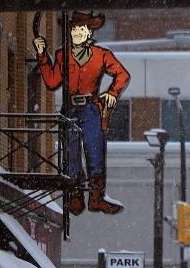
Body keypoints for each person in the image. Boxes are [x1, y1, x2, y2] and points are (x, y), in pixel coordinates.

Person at [35, 11, 130, 215]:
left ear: (89, 33)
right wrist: (43, 57)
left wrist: (112, 93)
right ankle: (75, 195)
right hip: (70, 108)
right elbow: (52, 81)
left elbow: (122, 75)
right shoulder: (63, 55)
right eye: (74, 29)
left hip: (91, 108)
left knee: (95, 150)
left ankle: (96, 197)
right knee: (71, 151)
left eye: (82, 29)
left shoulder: (101, 55)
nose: (77, 32)